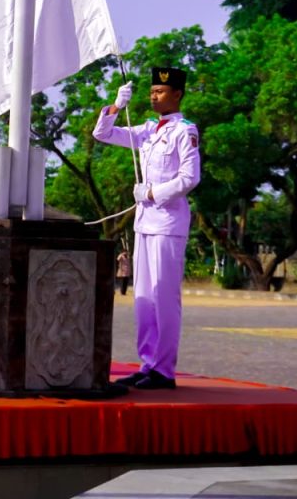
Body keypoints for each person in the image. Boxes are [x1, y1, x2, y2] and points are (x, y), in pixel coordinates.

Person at [93, 67, 200, 390]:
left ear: (177, 94)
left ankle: (164, 371)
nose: (153, 96)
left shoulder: (185, 130)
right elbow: (103, 134)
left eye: (161, 91)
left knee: (163, 297)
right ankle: (148, 363)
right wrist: (115, 107)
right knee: (142, 298)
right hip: (145, 223)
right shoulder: (149, 130)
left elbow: (189, 178)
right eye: (152, 91)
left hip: (168, 223)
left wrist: (152, 192)